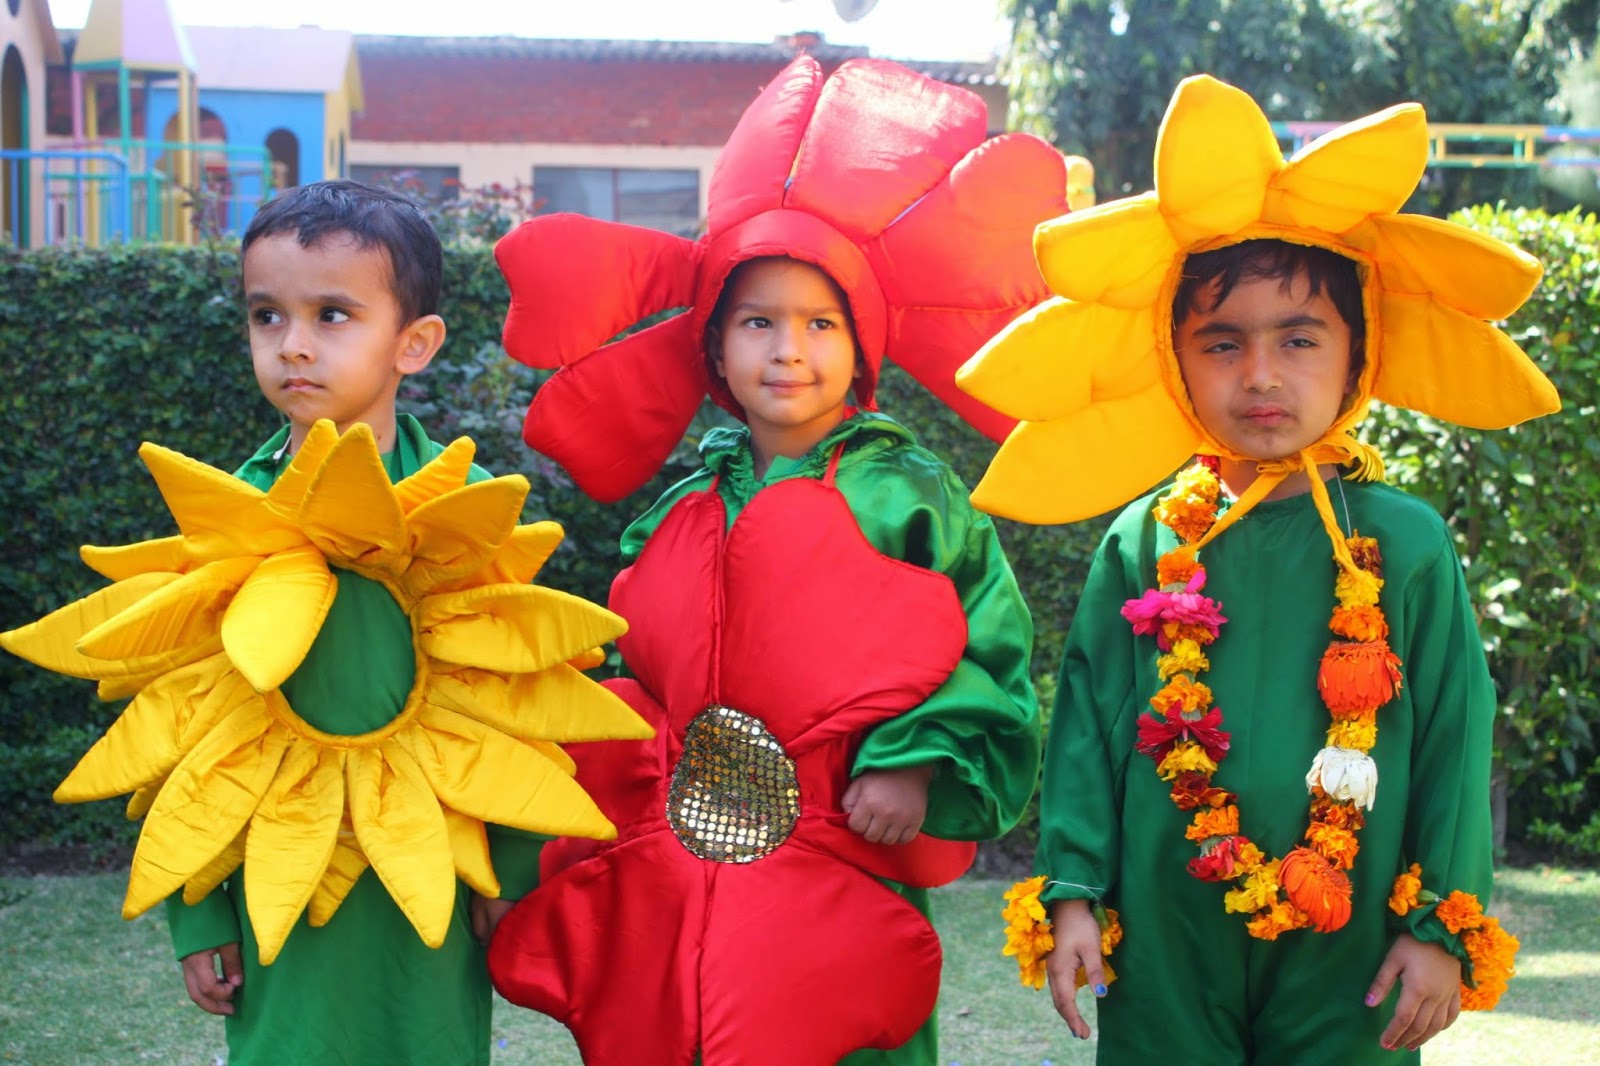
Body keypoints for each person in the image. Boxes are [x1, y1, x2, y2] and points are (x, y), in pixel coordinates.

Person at [961, 76, 1558, 1064]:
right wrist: (1072, 891)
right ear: (1175, 358)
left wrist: (1440, 927)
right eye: (1223, 343)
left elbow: (1455, 735)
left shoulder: (1404, 544)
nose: (1262, 375)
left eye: (1298, 338)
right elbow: (1087, 729)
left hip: (1356, 940)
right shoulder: (1146, 538)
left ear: (1356, 353)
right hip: (1162, 932)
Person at [484, 56, 1067, 1065]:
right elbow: (636, 681)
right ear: (715, 348)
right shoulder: (679, 508)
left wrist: (914, 759)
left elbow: (986, 642)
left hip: (849, 852)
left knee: (844, 1033)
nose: (787, 349)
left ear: (859, 348)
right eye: (757, 321)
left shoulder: (908, 492)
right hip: (694, 877)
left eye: (818, 323)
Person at [1, 179, 647, 1065]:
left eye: (332, 315)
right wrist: (197, 914)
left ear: (412, 343)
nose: (293, 346)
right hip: (280, 893)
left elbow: (521, 696)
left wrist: (515, 861)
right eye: (267, 317)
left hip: (435, 886)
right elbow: (183, 732)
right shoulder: (223, 528)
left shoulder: (468, 521)